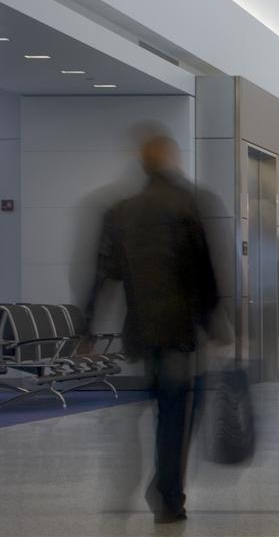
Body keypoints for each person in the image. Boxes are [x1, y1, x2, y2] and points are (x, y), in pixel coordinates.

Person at [87, 127, 220, 524]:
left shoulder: (121, 211)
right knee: (178, 411)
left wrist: (86, 327)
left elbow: (103, 273)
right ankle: (168, 495)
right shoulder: (188, 203)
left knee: (163, 404)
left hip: (142, 330)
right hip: (180, 330)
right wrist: (215, 319)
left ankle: (163, 486)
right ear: (170, 158)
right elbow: (204, 268)